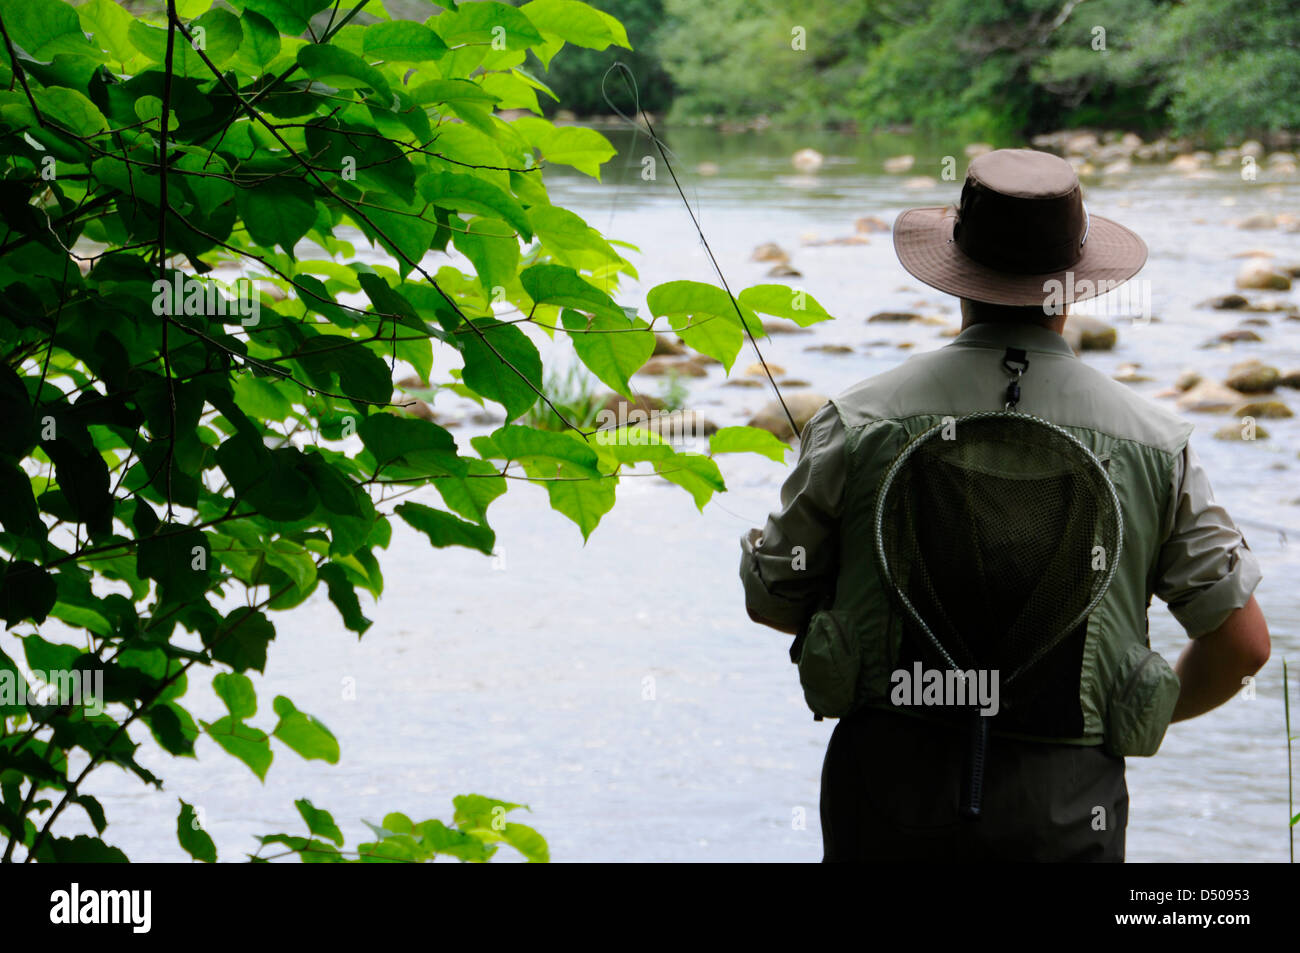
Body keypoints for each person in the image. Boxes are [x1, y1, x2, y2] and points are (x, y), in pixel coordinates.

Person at [739, 148, 1270, 862]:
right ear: (1073, 289)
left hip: (888, 790)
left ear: (957, 276)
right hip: (1065, 806)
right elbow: (1243, 646)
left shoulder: (858, 419)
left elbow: (772, 597)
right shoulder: (1154, 444)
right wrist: (1141, 710)